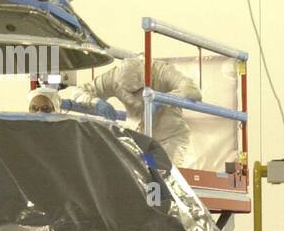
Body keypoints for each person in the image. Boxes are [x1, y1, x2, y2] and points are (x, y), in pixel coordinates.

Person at [71, 55, 202, 167]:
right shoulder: (112, 76)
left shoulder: (162, 71)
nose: (133, 97)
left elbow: (193, 91)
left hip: (169, 139)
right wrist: (96, 102)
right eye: (127, 91)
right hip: (139, 139)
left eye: (136, 91)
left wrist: (164, 99)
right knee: (141, 181)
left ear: (146, 76)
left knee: (167, 180)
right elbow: (78, 91)